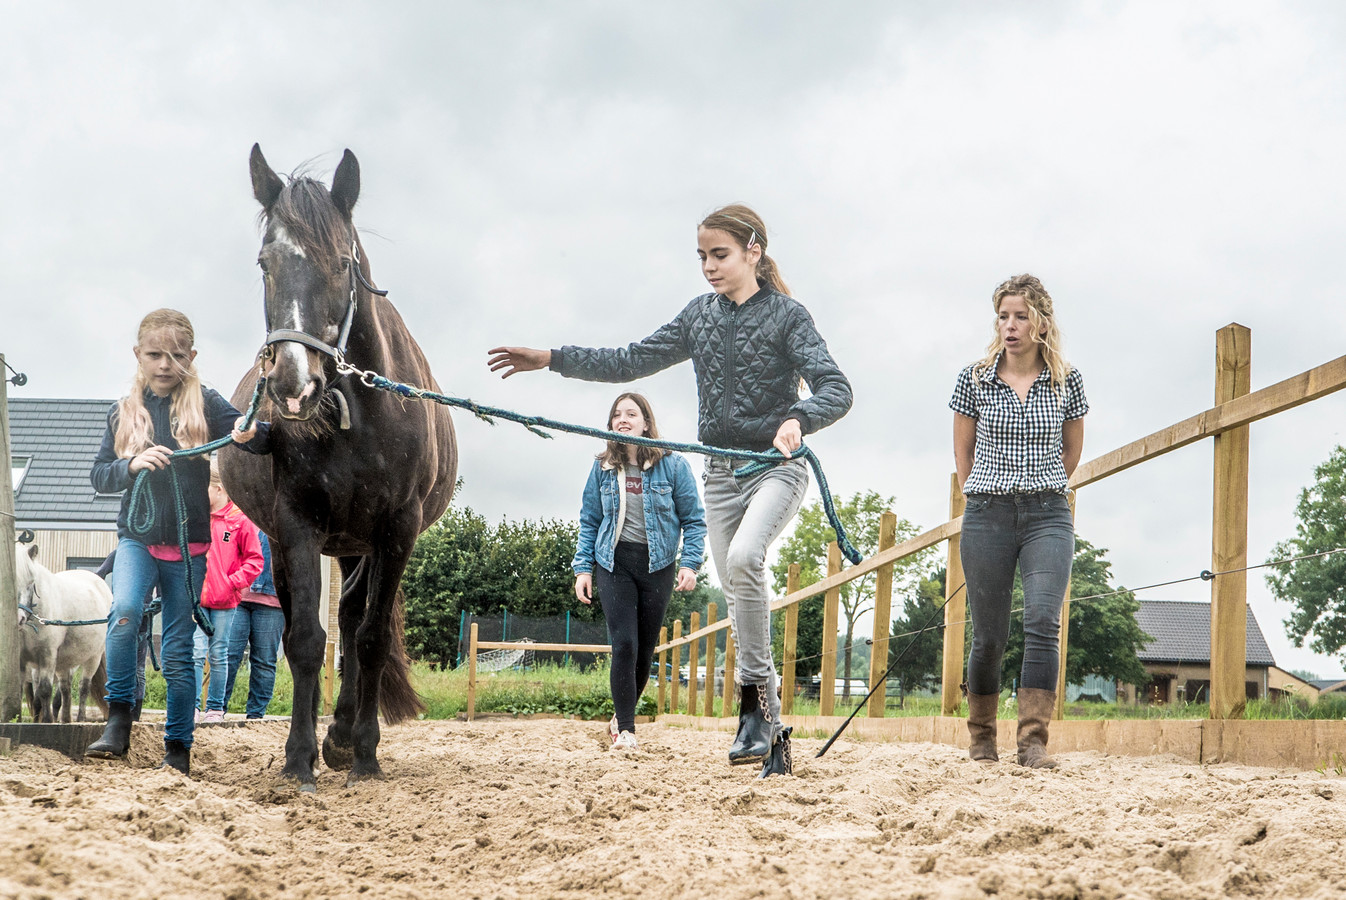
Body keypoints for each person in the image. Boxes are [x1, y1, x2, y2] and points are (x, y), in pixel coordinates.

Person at [488, 204, 852, 777]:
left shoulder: (787, 316)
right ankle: (771, 731)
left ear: (753, 251)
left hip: (774, 468)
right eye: (702, 256)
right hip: (719, 476)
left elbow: (837, 387)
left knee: (743, 558)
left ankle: (752, 704)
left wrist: (799, 418)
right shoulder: (698, 317)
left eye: (720, 255)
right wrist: (550, 358)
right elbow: (629, 359)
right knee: (739, 593)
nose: (708, 266)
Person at [86, 308, 268, 776]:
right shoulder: (123, 411)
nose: (164, 364)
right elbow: (99, 475)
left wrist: (252, 432)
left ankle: (178, 746)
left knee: (178, 648)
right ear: (138, 356)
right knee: (124, 614)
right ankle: (119, 718)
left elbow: (253, 436)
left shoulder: (206, 403)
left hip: (190, 547)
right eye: (154, 354)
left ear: (191, 356)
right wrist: (131, 466)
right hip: (137, 538)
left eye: (175, 355)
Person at [949, 274, 1087, 769]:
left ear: (1041, 322)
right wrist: (983, 490)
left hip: (1048, 513)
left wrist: (1040, 484)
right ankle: (982, 738)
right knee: (988, 635)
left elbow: (1072, 448)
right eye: (1004, 316)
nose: (1010, 325)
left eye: (1021, 316)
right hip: (987, 513)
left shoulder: (1066, 379)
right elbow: (962, 449)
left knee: (1043, 621)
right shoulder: (975, 378)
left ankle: (1033, 742)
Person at [573, 393, 706, 753]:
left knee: (645, 650)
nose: (623, 419)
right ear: (612, 424)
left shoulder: (674, 466)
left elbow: (694, 520)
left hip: (658, 566)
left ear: (646, 422)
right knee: (625, 643)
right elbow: (589, 520)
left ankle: (620, 715)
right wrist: (583, 568)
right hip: (613, 564)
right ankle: (627, 729)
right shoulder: (601, 467)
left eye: (631, 413)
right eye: (617, 414)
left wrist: (691, 563)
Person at [198, 459, 264, 723]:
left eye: (205, 488)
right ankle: (192, 706)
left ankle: (214, 708)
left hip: (225, 600)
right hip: (198, 599)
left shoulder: (240, 522)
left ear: (218, 489)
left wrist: (231, 582)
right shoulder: (197, 519)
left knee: (218, 653)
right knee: (194, 652)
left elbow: (255, 561)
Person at [223, 530, 285, 720]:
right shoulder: (239, 514)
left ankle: (256, 716)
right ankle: (217, 709)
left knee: (264, 661)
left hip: (272, 601)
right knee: (227, 656)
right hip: (237, 596)